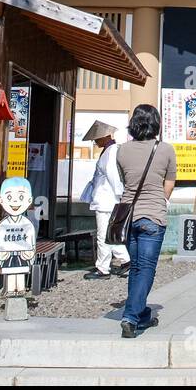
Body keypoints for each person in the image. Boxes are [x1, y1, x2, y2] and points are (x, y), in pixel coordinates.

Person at [116, 104, 176, 338]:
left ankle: (141, 316)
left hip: (128, 216)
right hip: (153, 215)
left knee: (136, 267)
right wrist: (162, 200)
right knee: (146, 268)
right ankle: (130, 317)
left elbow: (125, 181)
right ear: (156, 123)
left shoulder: (122, 150)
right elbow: (169, 183)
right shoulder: (166, 149)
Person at [81, 120, 129, 280]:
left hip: (106, 200)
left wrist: (120, 196)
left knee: (103, 235)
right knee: (109, 234)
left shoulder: (110, 152)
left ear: (104, 137)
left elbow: (113, 177)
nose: (95, 142)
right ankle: (125, 260)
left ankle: (103, 268)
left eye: (97, 138)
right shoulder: (111, 150)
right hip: (108, 199)